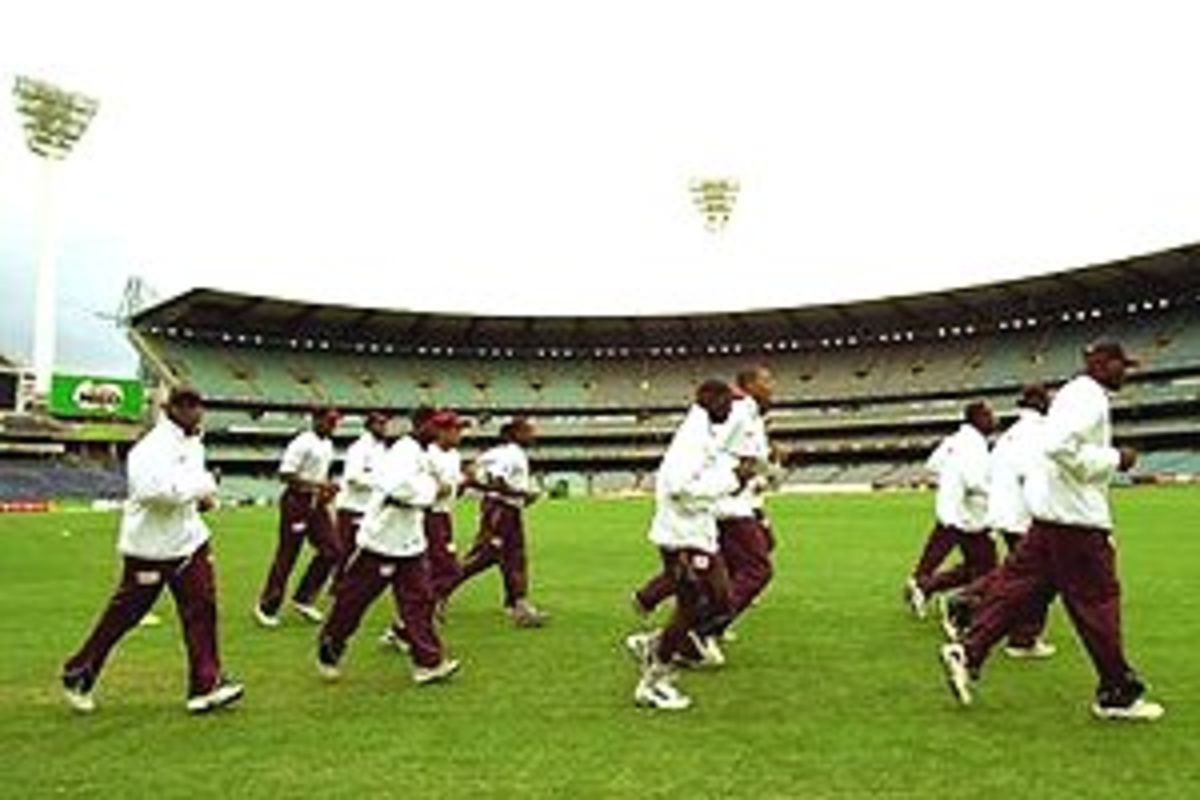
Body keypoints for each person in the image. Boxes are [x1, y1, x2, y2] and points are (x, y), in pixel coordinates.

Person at [941, 341, 1165, 721]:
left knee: (1019, 590)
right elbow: (1060, 447)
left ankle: (969, 648)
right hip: (1077, 522)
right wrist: (1116, 458)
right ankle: (1117, 693)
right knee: (1098, 604)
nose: (1125, 373)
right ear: (1102, 363)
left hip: (1051, 520)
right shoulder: (1090, 396)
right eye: (1121, 366)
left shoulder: (1069, 395)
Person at [61, 386, 243, 714]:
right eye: (185, 405)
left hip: (189, 542)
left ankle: (206, 685)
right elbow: (153, 492)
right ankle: (79, 672)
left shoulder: (193, 443)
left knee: (202, 608)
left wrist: (203, 500)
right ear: (167, 407)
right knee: (126, 614)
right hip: (151, 548)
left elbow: (186, 488)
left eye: (198, 404)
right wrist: (204, 486)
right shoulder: (150, 448)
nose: (194, 411)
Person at [632, 365, 784, 657]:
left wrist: (763, 468)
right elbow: (712, 454)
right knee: (755, 570)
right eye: (766, 380)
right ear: (748, 385)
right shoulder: (736, 413)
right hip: (727, 507)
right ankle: (692, 634)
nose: (772, 386)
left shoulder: (749, 416)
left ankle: (673, 626)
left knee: (718, 575)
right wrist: (733, 480)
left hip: (732, 503)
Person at [627, 380, 756, 711]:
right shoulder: (692, 439)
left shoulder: (704, 434)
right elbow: (678, 487)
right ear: (712, 400)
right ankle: (654, 679)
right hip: (682, 536)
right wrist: (732, 481)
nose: (731, 410)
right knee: (700, 602)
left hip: (696, 532)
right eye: (729, 403)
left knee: (717, 600)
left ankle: (657, 646)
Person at [316, 410, 460, 684]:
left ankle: (428, 663)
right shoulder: (403, 452)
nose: (448, 434)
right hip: (381, 540)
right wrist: (431, 490)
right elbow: (397, 487)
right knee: (353, 602)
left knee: (420, 601)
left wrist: (433, 489)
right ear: (425, 427)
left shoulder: (423, 453)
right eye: (442, 428)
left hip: (410, 541)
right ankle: (331, 644)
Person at [943, 385, 1056, 658]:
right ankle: (1020, 637)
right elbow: (1034, 477)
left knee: (1020, 573)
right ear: (1041, 404)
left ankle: (971, 597)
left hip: (1005, 513)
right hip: (1027, 516)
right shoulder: (1039, 433)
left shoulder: (1011, 434)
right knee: (1037, 579)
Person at [446, 417, 548, 627]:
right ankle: (438, 592)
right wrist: (523, 493)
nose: (532, 435)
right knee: (484, 556)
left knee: (515, 558)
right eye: (528, 431)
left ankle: (518, 605)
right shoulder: (513, 455)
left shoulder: (495, 452)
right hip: (502, 510)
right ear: (515, 434)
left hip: (503, 509)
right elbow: (495, 481)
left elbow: (471, 469)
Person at [903, 402, 996, 615]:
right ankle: (962, 607)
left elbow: (933, 464)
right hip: (970, 515)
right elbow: (974, 481)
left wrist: (950, 480)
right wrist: (998, 494)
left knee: (974, 566)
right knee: (986, 568)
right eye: (989, 416)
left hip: (953, 511)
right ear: (978, 418)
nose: (994, 420)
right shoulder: (974, 445)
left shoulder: (954, 441)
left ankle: (925, 585)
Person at [254, 407, 342, 627]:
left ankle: (303, 598)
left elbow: (321, 474)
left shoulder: (328, 445)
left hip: (316, 503)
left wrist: (327, 489)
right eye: (329, 421)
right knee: (288, 555)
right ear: (316, 419)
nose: (333, 426)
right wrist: (316, 485)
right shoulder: (302, 442)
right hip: (297, 502)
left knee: (332, 551)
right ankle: (266, 606)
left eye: (335, 422)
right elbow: (285, 474)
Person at [332, 411, 391, 586]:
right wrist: (379, 482)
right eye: (380, 424)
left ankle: (351, 582)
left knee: (365, 548)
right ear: (370, 426)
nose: (384, 427)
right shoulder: (359, 448)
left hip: (370, 507)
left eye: (385, 423)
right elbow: (353, 477)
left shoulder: (382, 449)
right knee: (346, 549)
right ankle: (338, 583)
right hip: (352, 506)